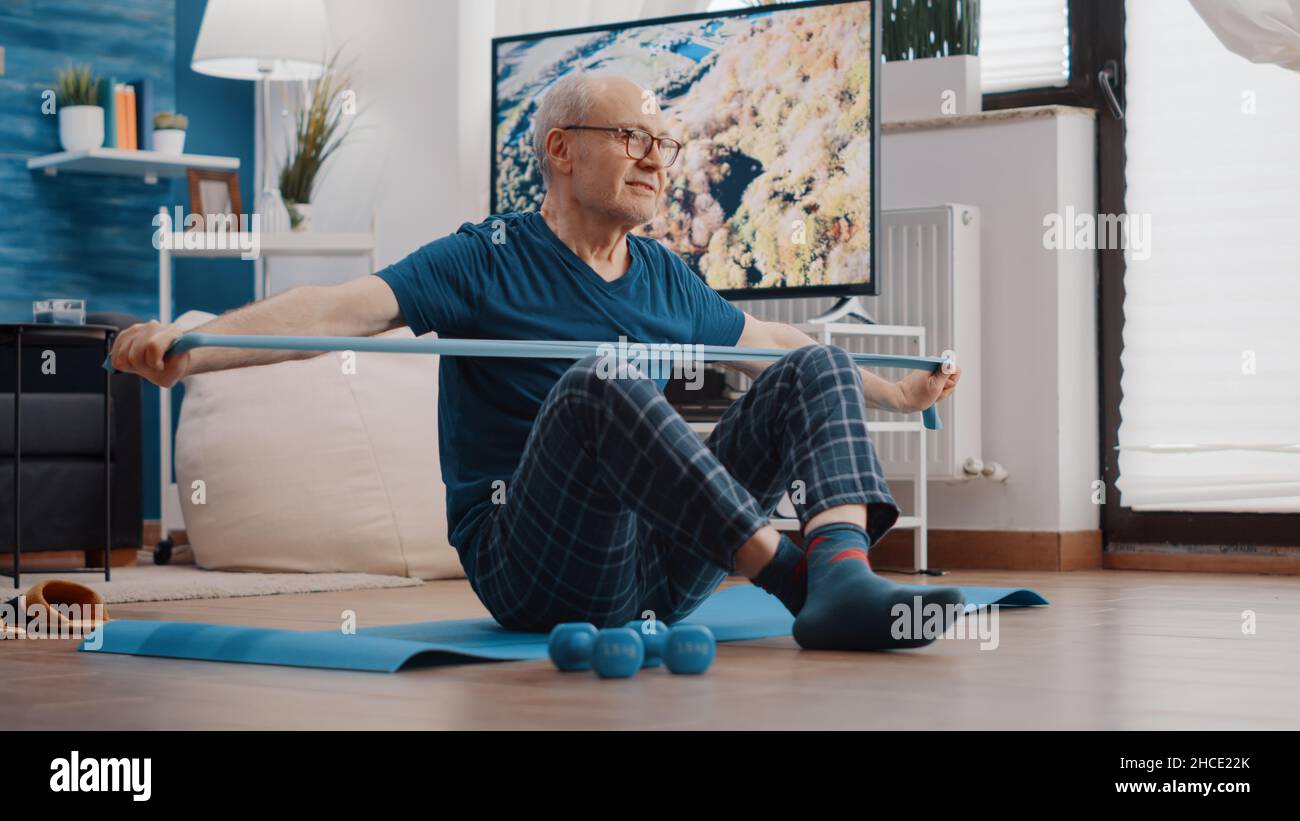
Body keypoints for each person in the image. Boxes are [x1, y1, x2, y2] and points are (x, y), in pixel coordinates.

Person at [111, 74, 964, 650]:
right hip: (533, 561)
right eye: (634, 137)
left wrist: (894, 389)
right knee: (600, 380)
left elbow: (776, 347)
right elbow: (339, 308)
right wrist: (190, 348)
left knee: (810, 362)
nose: (656, 161)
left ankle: (843, 577)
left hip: (660, 562)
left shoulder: (666, 276)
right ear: (561, 150)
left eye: (662, 144)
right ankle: (793, 580)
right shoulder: (483, 257)